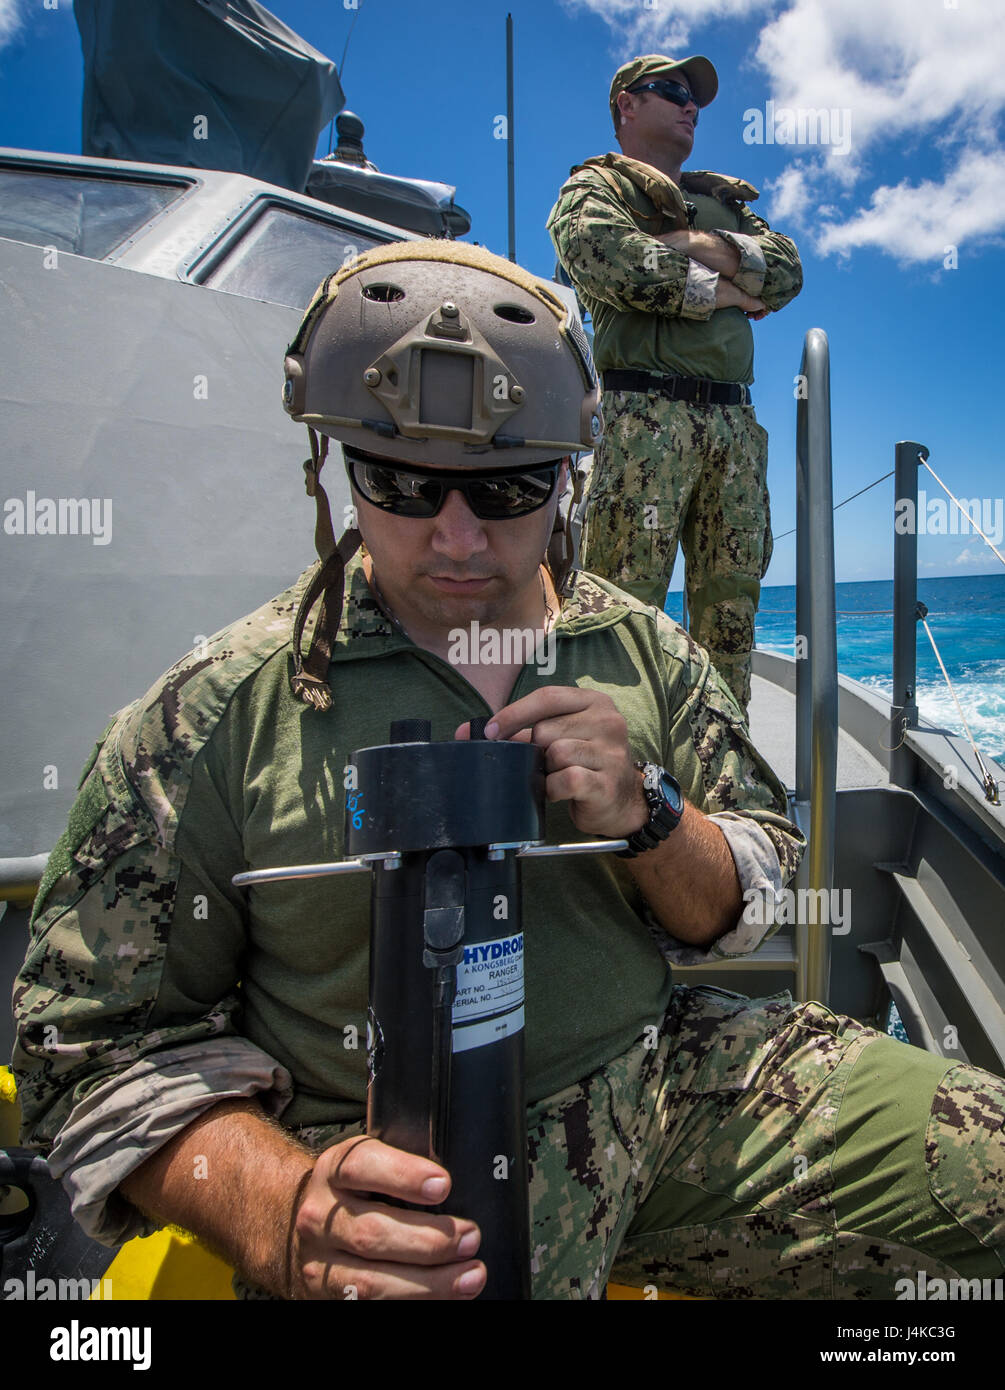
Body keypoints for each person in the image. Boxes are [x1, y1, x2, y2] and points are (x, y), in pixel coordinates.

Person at [12, 243, 1004, 1302]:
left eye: (505, 488)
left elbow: (758, 891)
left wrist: (651, 815)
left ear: (569, 480)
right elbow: (92, 1053)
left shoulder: (642, 654)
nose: (455, 535)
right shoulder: (215, 714)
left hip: (661, 1081)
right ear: (333, 468)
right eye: (397, 481)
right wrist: (285, 1211)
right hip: (375, 1159)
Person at [547, 53, 804, 712]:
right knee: (621, 602)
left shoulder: (724, 203)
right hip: (642, 416)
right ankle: (620, 766)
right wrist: (729, 292)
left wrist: (689, 241)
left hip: (735, 427)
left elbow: (783, 273)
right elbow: (614, 263)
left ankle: (720, 763)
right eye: (669, 91)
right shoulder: (595, 191)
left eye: (694, 97)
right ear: (625, 106)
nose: (689, 104)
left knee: (731, 608)